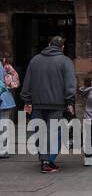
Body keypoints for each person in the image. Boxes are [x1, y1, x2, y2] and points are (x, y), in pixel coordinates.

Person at [20, 36, 76, 173]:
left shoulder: (35, 60)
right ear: (62, 47)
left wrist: (27, 100)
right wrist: (70, 102)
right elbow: (70, 84)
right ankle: (47, 161)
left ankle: (44, 158)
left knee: (39, 132)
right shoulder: (65, 61)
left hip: (37, 103)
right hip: (57, 104)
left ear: (49, 44)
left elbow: (27, 82)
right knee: (55, 133)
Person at [0, 54, 18, 160]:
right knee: (3, 126)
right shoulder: (6, 66)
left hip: (4, 100)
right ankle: (3, 150)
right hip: (5, 99)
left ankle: (2, 150)